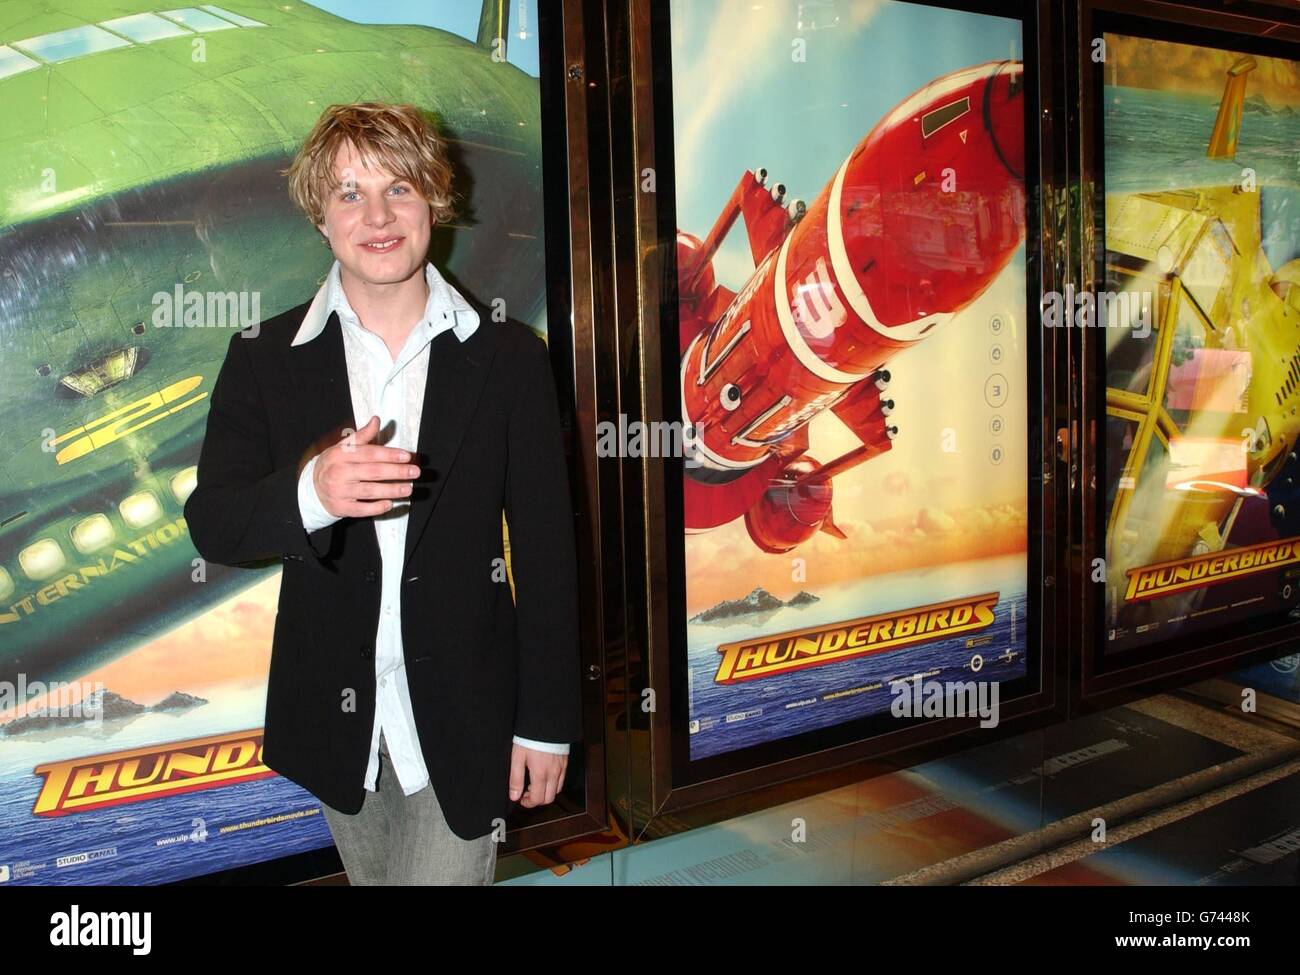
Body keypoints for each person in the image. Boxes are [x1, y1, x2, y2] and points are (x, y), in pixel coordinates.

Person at [184, 102, 582, 885]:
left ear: (435, 199)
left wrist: (546, 723)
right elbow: (214, 522)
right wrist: (312, 492)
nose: (377, 216)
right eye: (349, 194)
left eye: (400, 187)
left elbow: (548, 553)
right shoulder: (266, 357)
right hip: (338, 728)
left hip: (467, 719)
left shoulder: (509, 357)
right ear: (320, 217)